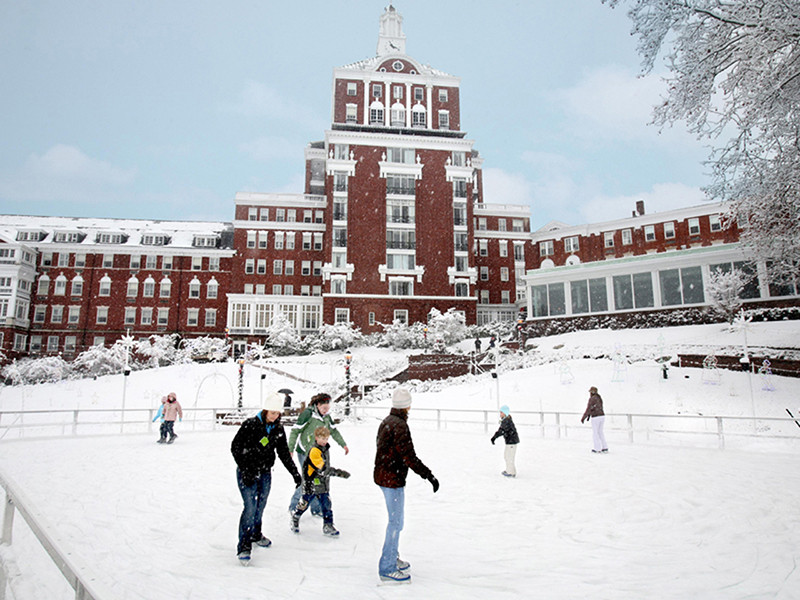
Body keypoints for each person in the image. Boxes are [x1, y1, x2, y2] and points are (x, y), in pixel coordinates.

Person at [374, 388, 439, 584]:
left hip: (386, 476)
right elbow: (408, 456)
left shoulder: (388, 421)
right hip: (392, 479)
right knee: (395, 523)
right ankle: (387, 567)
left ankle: (392, 555)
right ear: (407, 406)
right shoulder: (400, 425)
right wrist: (428, 475)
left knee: (398, 522)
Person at [231, 391, 302, 565]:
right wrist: (246, 469)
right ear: (265, 410)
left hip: (264, 473)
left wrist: (295, 473)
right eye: (272, 412)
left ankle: (256, 533)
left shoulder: (278, 429)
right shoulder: (251, 425)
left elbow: (283, 453)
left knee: (260, 505)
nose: (275, 416)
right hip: (248, 472)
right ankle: (244, 545)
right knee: (250, 506)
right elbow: (236, 447)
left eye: (278, 413)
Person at [287, 392, 349, 515]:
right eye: (324, 408)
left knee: (318, 480)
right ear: (318, 405)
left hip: (319, 452)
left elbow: (333, 431)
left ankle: (316, 509)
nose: (326, 410)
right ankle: (294, 506)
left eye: (327, 408)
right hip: (305, 452)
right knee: (308, 481)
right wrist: (291, 448)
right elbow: (295, 431)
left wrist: (343, 444)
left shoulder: (326, 417)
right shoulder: (308, 414)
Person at [290, 426, 350, 537]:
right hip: (311, 482)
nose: (324, 441)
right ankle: (296, 516)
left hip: (323, 483)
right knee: (305, 503)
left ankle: (328, 525)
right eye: (322, 438)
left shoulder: (325, 449)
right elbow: (322, 469)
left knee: (327, 505)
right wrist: (338, 473)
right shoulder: (314, 451)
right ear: (316, 438)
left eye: (326, 439)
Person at [490, 405, 520, 477]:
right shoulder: (505, 420)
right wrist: (494, 437)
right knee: (507, 456)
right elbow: (501, 430)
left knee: (509, 457)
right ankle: (510, 470)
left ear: (505, 413)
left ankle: (511, 472)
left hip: (511, 442)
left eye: (501, 412)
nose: (500, 414)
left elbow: (501, 431)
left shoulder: (506, 421)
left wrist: (494, 437)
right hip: (510, 441)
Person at [581, 386, 608, 454]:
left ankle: (597, 448)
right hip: (602, 416)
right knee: (600, 432)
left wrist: (584, 417)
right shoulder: (599, 397)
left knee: (595, 433)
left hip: (596, 417)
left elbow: (589, 408)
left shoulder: (592, 399)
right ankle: (604, 447)